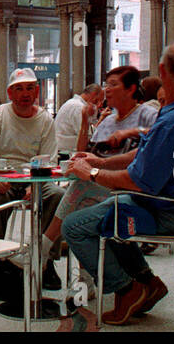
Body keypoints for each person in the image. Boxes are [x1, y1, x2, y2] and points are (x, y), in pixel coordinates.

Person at [62, 40, 174, 324]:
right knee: (111, 211)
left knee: (74, 226)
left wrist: (92, 174)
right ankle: (147, 282)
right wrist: (101, 162)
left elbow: (136, 182)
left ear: (161, 71)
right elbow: (147, 152)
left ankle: (126, 289)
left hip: (166, 212)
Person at [37, 65, 160, 278]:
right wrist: (85, 122)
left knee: (83, 187)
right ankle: (84, 277)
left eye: (113, 84)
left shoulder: (147, 114)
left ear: (131, 89)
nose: (106, 90)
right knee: (81, 201)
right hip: (103, 186)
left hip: (132, 187)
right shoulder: (108, 121)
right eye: (106, 84)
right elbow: (87, 152)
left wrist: (130, 133)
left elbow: (157, 143)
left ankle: (45, 246)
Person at [0, 69, 62, 285]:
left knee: (58, 195)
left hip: (35, 177)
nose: (25, 93)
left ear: (37, 91)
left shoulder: (45, 119)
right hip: (2, 176)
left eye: (30, 88)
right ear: (10, 93)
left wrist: (35, 185)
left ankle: (45, 258)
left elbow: (49, 160)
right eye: (19, 89)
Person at [54, 84, 104, 156]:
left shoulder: (73, 103)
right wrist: (101, 119)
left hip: (64, 148)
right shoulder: (79, 107)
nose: (99, 105)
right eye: (97, 101)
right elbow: (88, 136)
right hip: (68, 152)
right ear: (93, 95)